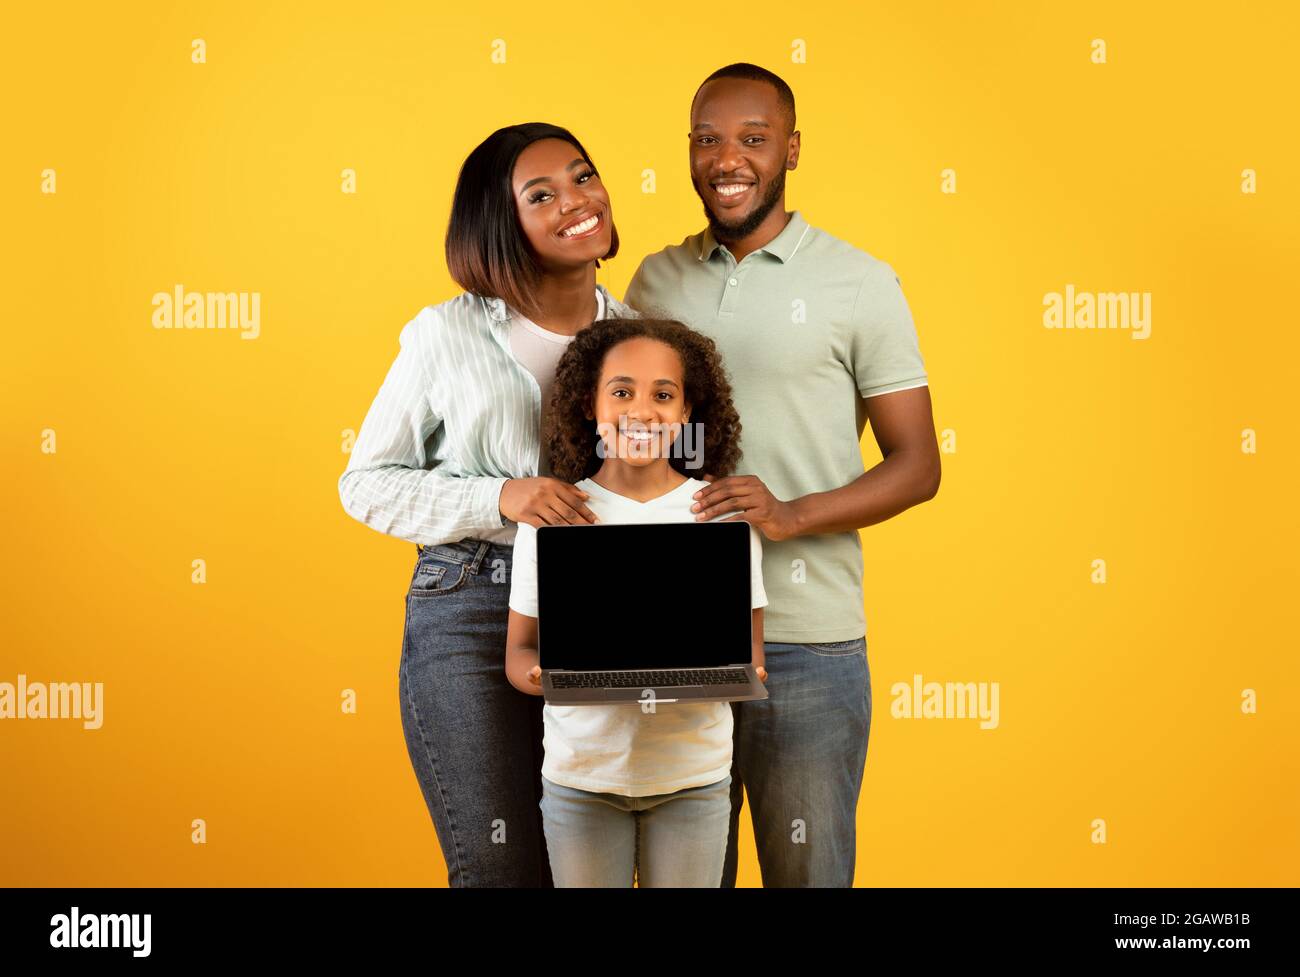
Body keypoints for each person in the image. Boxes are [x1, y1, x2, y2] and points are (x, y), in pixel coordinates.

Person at [624, 63, 942, 887]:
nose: (727, 159)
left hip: (807, 640)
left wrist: (790, 514)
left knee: (809, 876)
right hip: (675, 637)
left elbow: (918, 464)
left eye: (753, 140)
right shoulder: (655, 280)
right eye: (707, 140)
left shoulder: (861, 283)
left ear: (791, 150)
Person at [338, 122, 637, 887]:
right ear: (501, 223)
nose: (577, 201)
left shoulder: (639, 337)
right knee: (499, 864)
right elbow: (364, 482)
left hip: (602, 606)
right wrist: (502, 496)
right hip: (471, 603)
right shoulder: (446, 333)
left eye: (583, 176)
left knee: (591, 866)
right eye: (542, 194)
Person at [504, 317, 768, 887]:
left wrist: (737, 673)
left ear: (687, 412)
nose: (642, 411)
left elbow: (750, 652)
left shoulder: (719, 514)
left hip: (693, 778)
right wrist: (547, 675)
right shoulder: (556, 516)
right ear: (588, 406)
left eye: (663, 395)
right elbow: (519, 654)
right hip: (581, 778)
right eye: (621, 392)